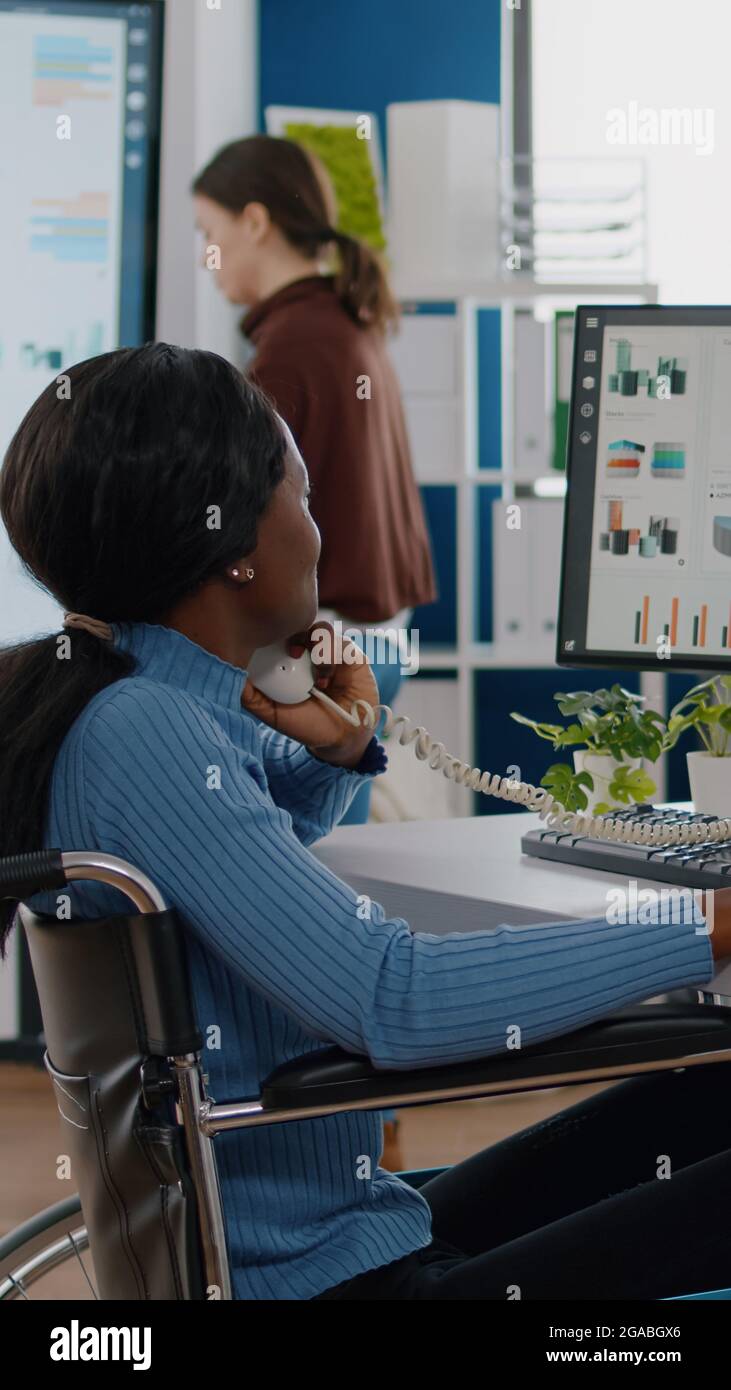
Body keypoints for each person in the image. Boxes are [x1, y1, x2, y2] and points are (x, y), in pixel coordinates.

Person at [1, 343, 730, 1302]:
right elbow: (391, 996)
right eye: (300, 498)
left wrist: (338, 754)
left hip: (342, 1240)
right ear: (233, 549)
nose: (319, 529)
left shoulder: (123, 702)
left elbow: (240, 887)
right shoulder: (142, 731)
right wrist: (708, 929)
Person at [192, 133, 436, 830]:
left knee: (305, 869)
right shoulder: (343, 324)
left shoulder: (291, 349)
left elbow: (242, 521)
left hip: (321, 652)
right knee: (338, 867)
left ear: (255, 222)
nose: (206, 260)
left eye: (209, 235)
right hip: (373, 637)